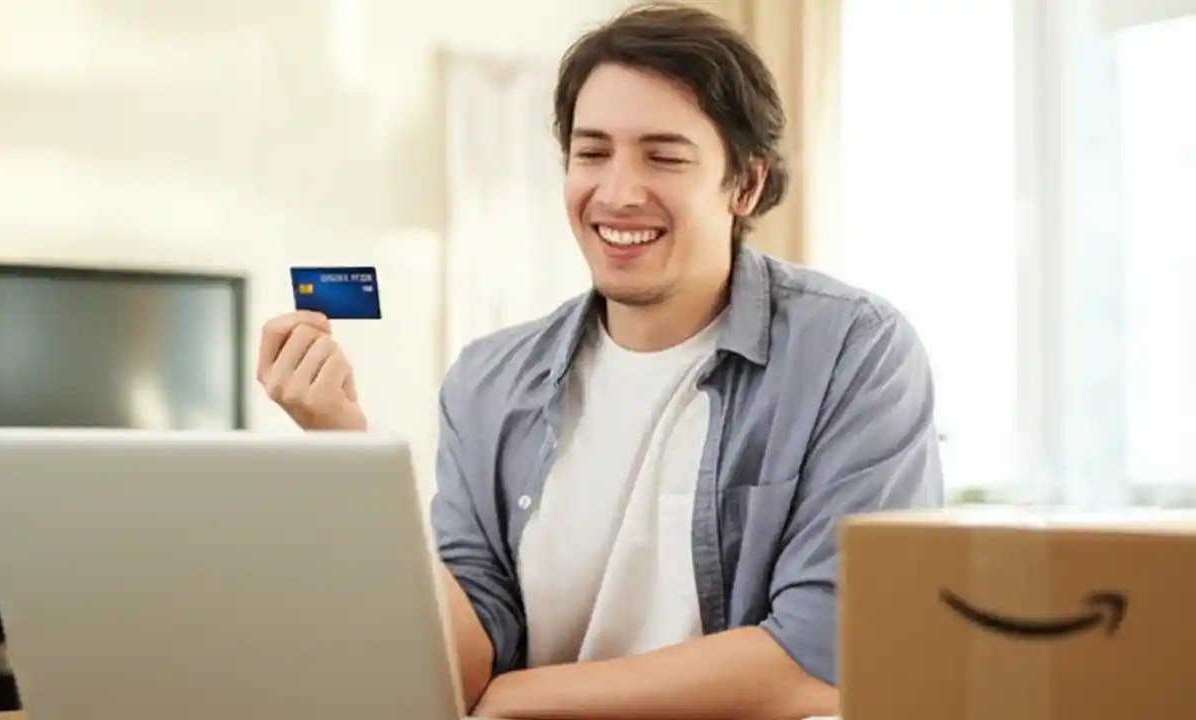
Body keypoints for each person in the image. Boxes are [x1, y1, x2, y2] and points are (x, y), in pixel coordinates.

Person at [257, 4, 943, 718]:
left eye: (664, 156)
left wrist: (521, 698)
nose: (617, 192)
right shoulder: (489, 383)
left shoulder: (854, 354)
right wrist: (346, 444)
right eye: (592, 153)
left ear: (744, 185)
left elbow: (825, 656)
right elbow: (459, 668)